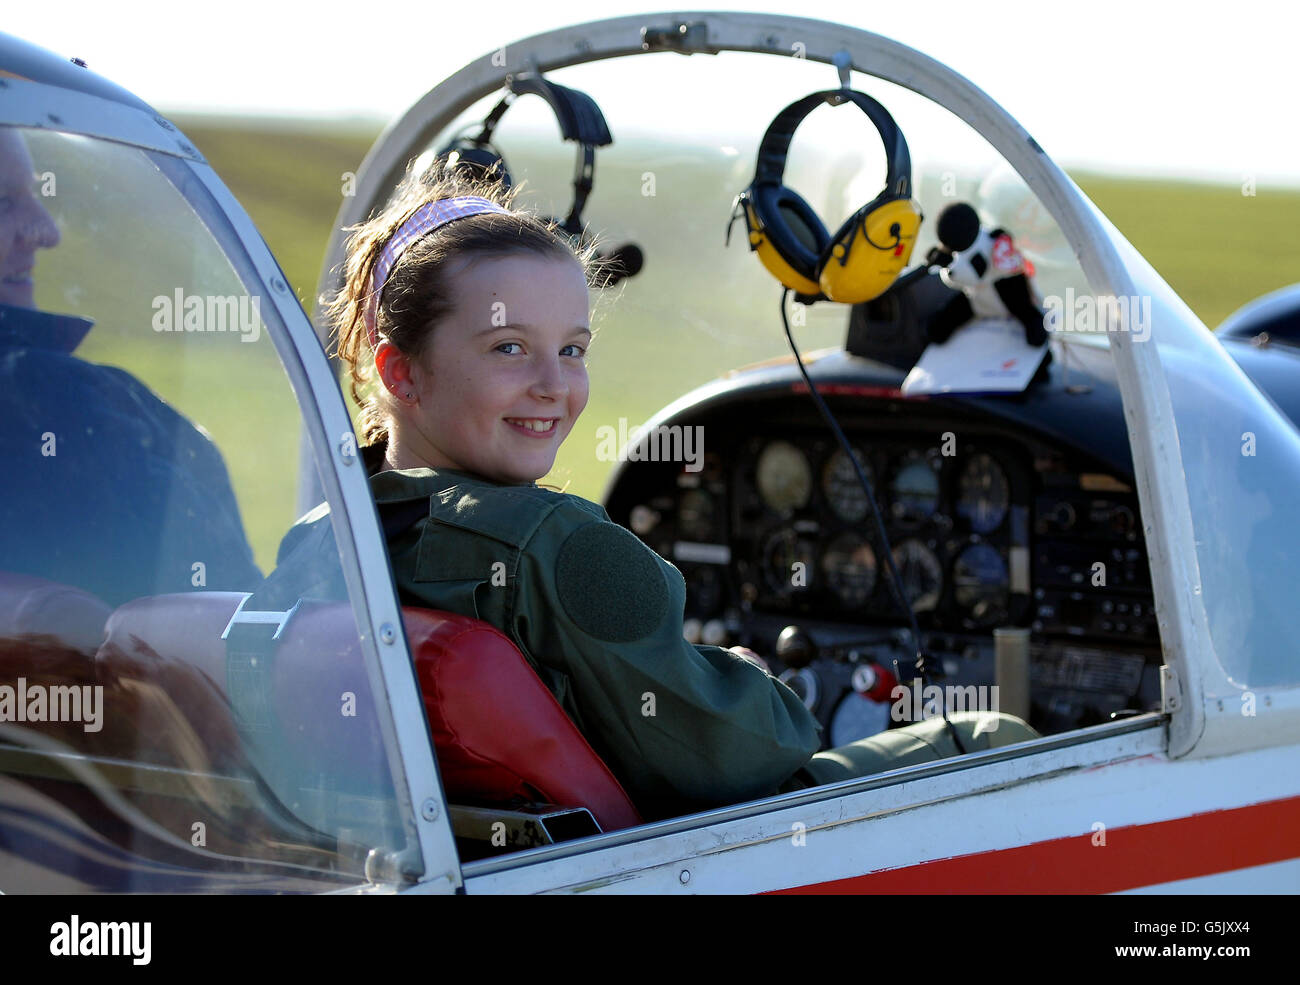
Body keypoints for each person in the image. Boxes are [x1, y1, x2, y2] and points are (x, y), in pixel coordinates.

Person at [264, 162, 1036, 821]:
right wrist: (758, 682)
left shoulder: (321, 540)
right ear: (400, 371)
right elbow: (744, 754)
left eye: (572, 348)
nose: (553, 386)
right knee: (998, 735)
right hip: (675, 843)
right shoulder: (559, 545)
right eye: (509, 348)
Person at [0, 127, 261, 606]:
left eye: (33, 194)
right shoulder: (43, 397)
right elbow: (229, 625)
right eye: (3, 203)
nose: (47, 231)